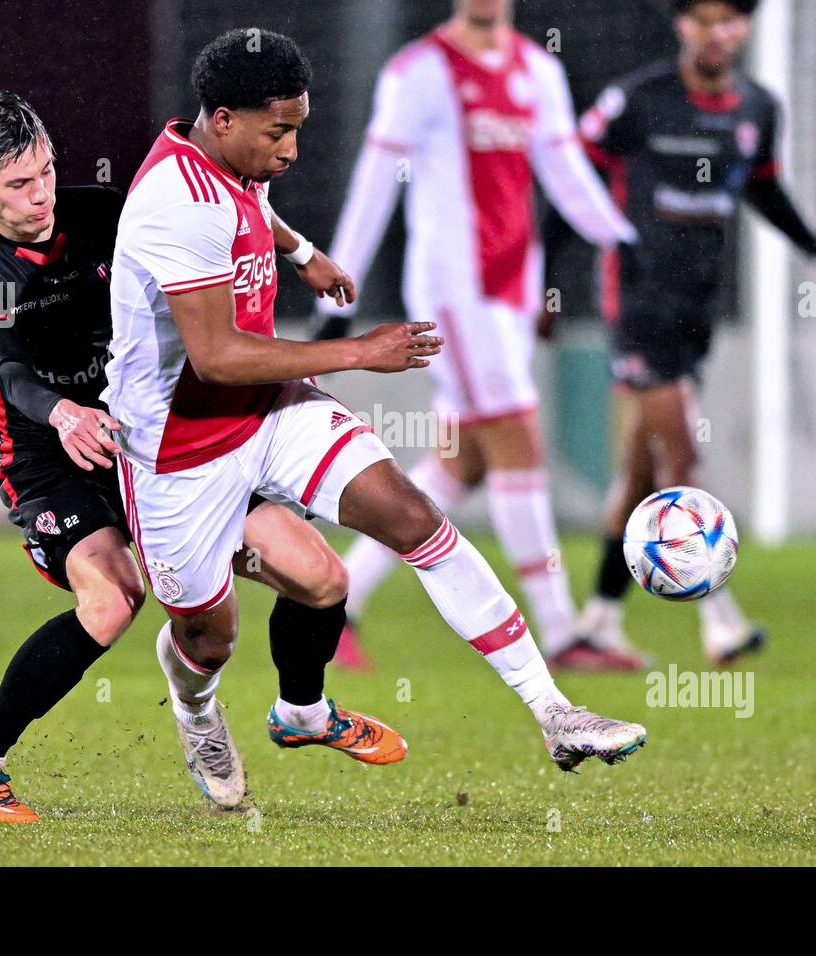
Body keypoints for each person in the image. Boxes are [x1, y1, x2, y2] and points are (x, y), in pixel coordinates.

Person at [105, 29, 647, 808]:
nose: (290, 150)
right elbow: (218, 357)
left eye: (298, 128)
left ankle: (553, 710)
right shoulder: (173, 203)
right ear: (222, 119)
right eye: (278, 131)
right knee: (207, 636)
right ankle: (195, 708)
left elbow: (255, 208)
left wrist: (303, 255)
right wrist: (358, 353)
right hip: (179, 445)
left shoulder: (234, 159)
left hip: (267, 415)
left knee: (409, 514)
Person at [0, 92, 399, 824]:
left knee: (320, 575)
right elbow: (5, 369)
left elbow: (221, 212)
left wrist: (300, 252)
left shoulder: (109, 210)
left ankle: (301, 711)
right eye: (19, 184)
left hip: (157, 435)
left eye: (47, 172)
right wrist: (62, 410)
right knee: (113, 598)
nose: (41, 194)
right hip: (54, 456)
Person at [311, 0, 642, 672]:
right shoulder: (420, 71)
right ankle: (562, 633)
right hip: (453, 293)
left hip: (511, 293)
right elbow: (377, 181)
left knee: (464, 462)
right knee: (518, 438)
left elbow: (563, 172)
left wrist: (620, 237)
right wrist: (341, 286)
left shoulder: (537, 70)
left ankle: (337, 604)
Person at [568, 0, 816, 665]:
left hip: (698, 305)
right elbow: (567, 173)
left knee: (639, 473)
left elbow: (764, 188)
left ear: (745, 28)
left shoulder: (758, 108)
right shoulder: (636, 101)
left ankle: (600, 620)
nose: (714, 33)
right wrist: (547, 272)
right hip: (636, 299)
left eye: (728, 21)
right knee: (682, 454)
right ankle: (719, 618)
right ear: (679, 26)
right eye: (700, 20)